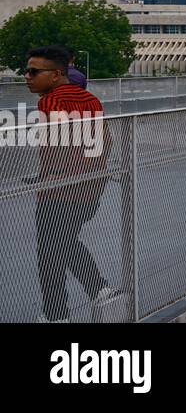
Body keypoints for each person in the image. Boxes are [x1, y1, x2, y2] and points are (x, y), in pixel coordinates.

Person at [24, 46, 116, 322]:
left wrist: (50, 174)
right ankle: (100, 289)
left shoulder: (49, 101)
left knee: (49, 254)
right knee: (64, 242)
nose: (27, 76)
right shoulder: (91, 99)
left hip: (59, 191)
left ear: (55, 75)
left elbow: (57, 142)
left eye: (33, 71)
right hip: (89, 190)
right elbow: (105, 140)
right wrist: (93, 172)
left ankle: (56, 315)